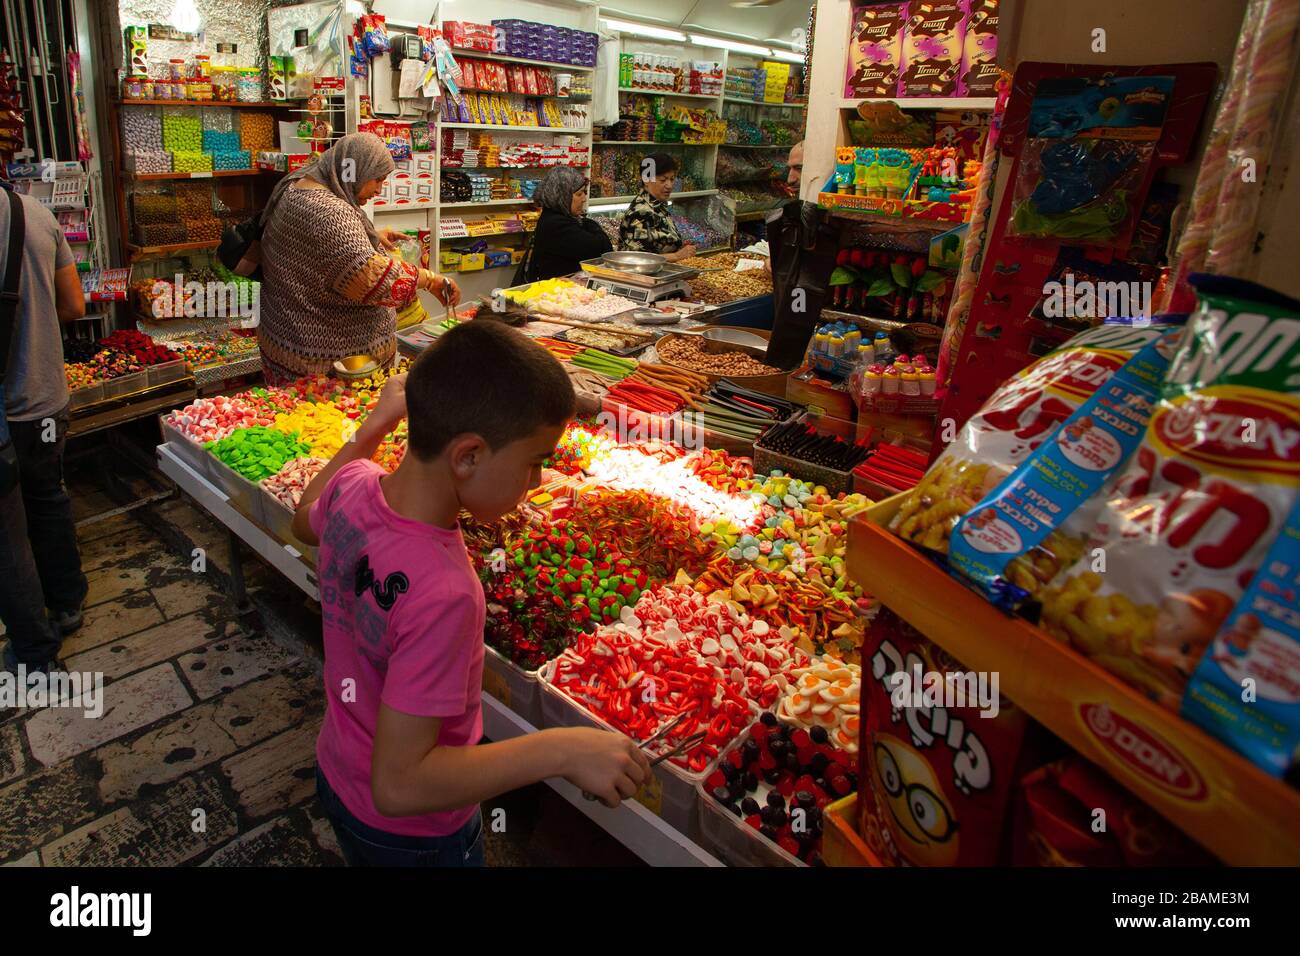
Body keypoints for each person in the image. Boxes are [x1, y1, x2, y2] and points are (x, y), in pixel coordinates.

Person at [291, 321, 650, 866]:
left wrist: (371, 430)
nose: (536, 482)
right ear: (468, 457)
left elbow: (302, 520)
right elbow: (401, 785)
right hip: (415, 836)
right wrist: (562, 749)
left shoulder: (355, 484)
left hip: (338, 772)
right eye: (534, 461)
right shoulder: (447, 593)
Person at [257, 133, 461, 385]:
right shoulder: (330, 213)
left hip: (286, 339)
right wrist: (430, 279)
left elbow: (319, 252)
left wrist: (370, 237)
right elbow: (372, 280)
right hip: (325, 367)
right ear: (354, 171)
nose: (379, 189)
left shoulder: (297, 184)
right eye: (377, 179)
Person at [0, 184, 89, 674]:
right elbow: (74, 307)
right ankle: (68, 600)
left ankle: (32, 645)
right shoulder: (35, 213)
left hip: (5, 413)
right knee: (47, 496)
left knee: (7, 534)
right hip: (42, 398)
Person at [764, 141, 843, 370]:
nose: (790, 178)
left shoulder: (832, 221)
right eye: (790, 168)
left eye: (799, 168)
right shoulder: (797, 214)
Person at [524, 167, 612, 281]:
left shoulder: (559, 217)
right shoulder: (556, 224)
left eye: (584, 193)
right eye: (579, 194)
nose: (584, 199)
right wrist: (593, 225)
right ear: (562, 196)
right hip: (555, 294)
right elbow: (601, 249)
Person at [617, 152, 697, 262]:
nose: (669, 185)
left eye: (672, 179)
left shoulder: (658, 206)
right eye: (663, 180)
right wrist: (677, 256)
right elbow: (636, 259)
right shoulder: (641, 213)